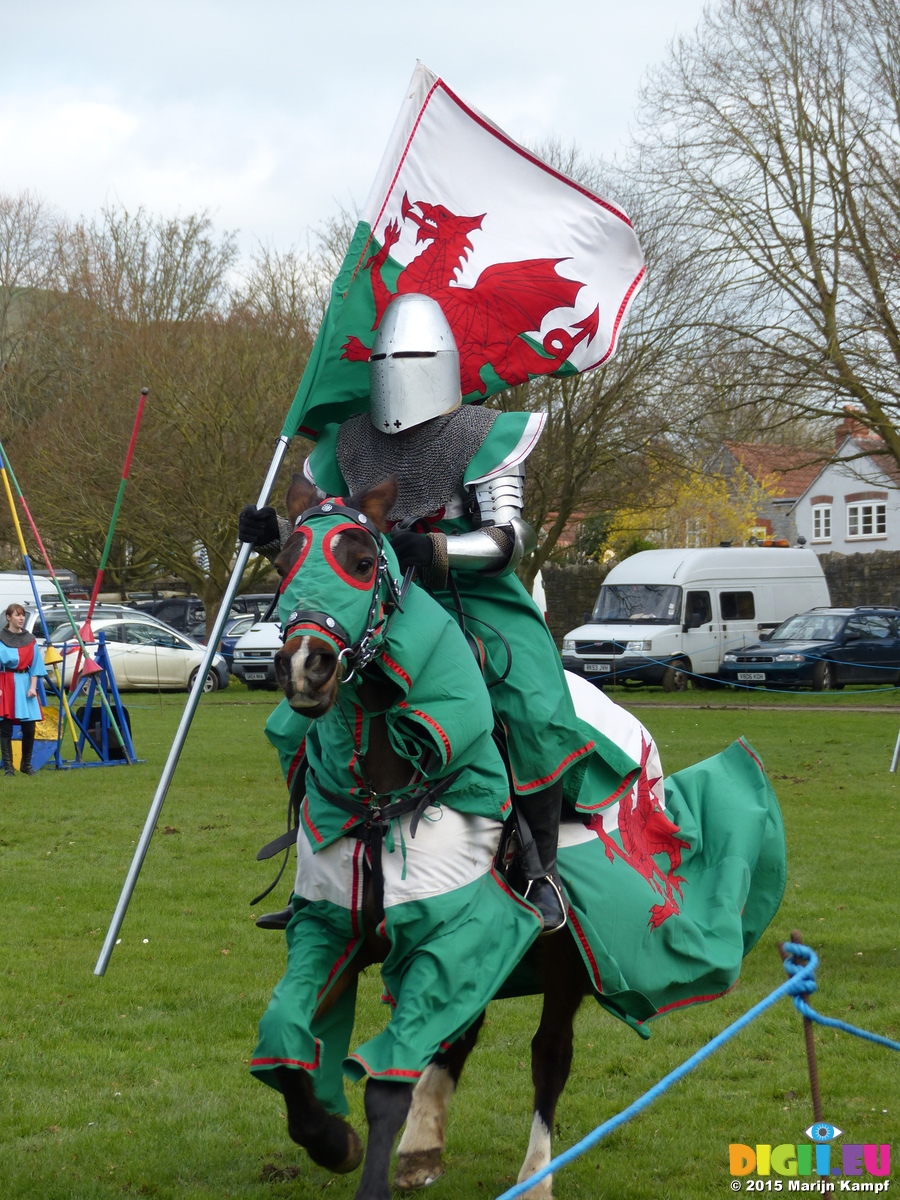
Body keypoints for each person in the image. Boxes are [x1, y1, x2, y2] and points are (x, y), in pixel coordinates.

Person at [242, 293, 628, 932]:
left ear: (442, 362)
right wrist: (270, 539)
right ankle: (321, 865)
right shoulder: (348, 445)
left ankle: (539, 867)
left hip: (469, 597)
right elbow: (324, 541)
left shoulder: (481, 435)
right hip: (375, 603)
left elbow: (509, 540)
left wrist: (432, 546)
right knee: (295, 715)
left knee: (530, 694)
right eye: (389, 358)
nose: (399, 370)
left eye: (412, 357)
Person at [0, 603, 47, 776]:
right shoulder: (0, 638)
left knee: (29, 727)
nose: (21, 618)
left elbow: (35, 665)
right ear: (8, 617)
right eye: (17, 615)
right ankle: (9, 768)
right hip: (6, 682)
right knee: (6, 727)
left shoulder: (31, 640)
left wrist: (33, 687)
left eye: (22, 615)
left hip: (26, 683)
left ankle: (26, 765)